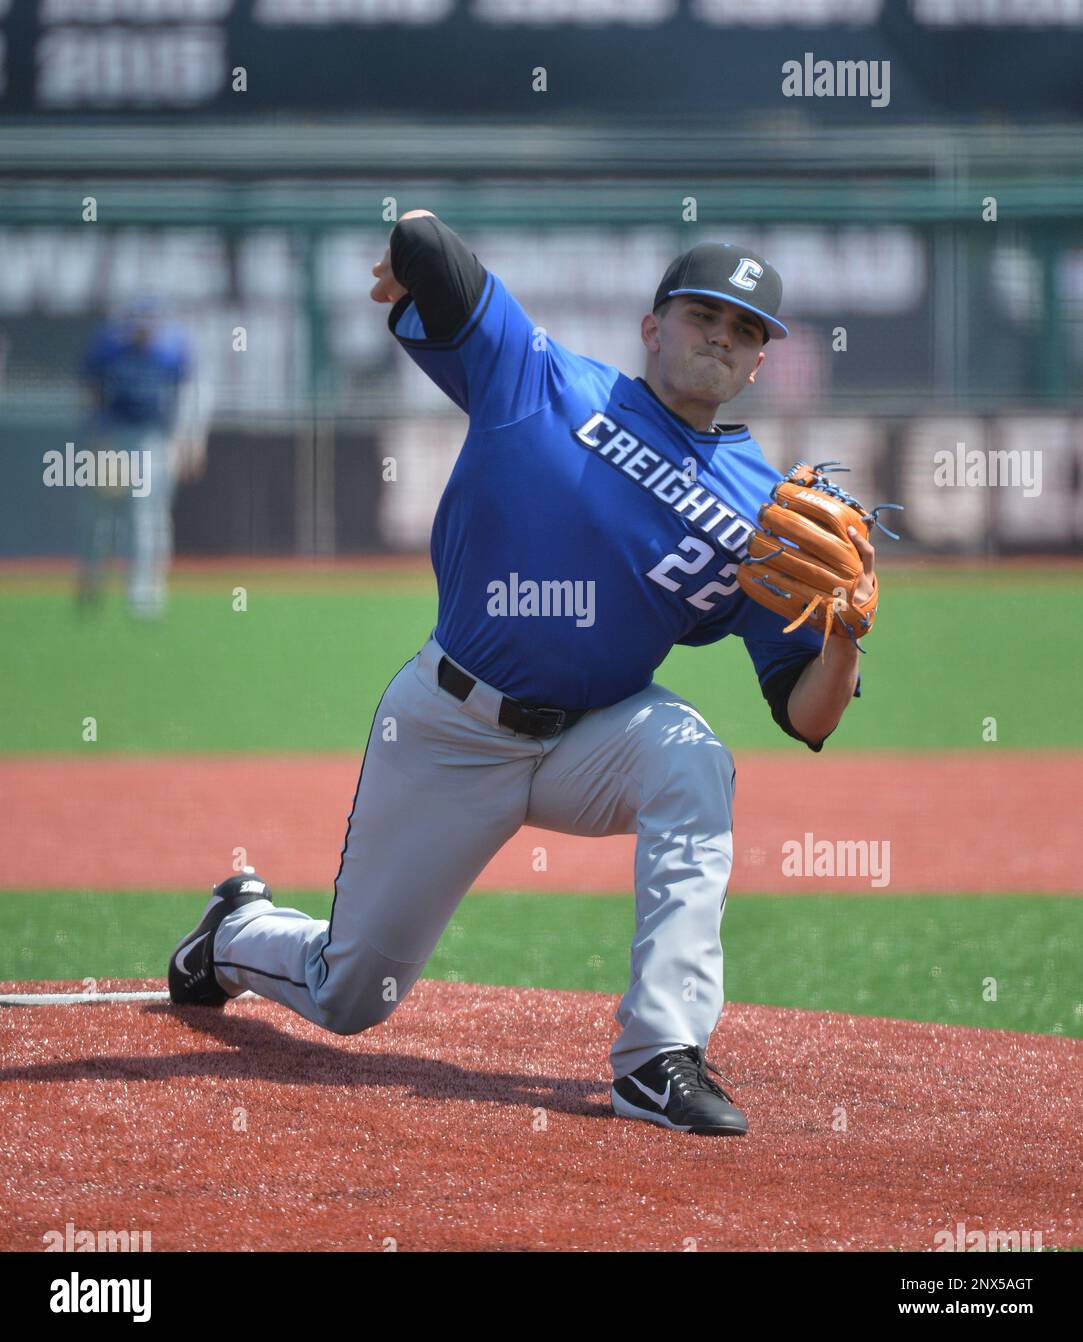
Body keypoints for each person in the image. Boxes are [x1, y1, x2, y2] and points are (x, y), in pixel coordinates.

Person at [168, 214, 876, 1137]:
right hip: (450, 728)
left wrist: (846, 639)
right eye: (703, 313)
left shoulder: (766, 518)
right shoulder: (539, 381)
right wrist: (413, 247)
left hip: (593, 737)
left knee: (693, 759)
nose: (722, 336)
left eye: (745, 331)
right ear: (651, 326)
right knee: (351, 996)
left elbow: (807, 717)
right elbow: (433, 249)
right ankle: (233, 931)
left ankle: (658, 1057)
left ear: (756, 366)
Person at [77, 299, 205, 619]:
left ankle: (143, 590)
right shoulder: (108, 349)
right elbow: (90, 392)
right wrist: (94, 438)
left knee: (146, 513)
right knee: (102, 517)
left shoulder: (171, 352)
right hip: (113, 435)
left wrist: (186, 440)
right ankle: (92, 582)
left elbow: (188, 394)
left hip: (152, 438)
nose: (143, 333)